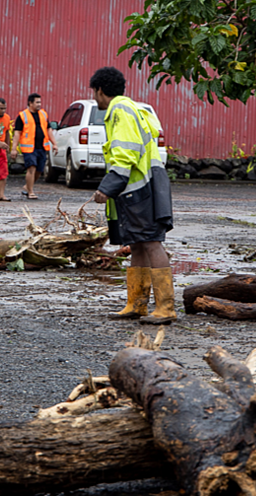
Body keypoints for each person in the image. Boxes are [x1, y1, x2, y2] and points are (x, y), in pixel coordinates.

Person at [89, 67, 176, 325]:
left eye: (95, 93)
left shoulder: (120, 111)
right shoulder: (132, 108)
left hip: (140, 188)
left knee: (150, 241)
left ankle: (165, 307)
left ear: (100, 90)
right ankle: (136, 304)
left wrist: (107, 186)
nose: (95, 99)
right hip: (142, 186)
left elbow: (125, 153)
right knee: (137, 242)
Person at [10, 93, 56, 200]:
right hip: (29, 148)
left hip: (42, 147)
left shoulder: (43, 114)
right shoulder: (22, 116)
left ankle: (27, 186)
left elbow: (48, 129)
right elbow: (17, 133)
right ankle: (30, 192)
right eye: (37, 102)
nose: (39, 104)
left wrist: (55, 144)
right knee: (31, 168)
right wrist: (14, 149)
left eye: (40, 102)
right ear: (30, 103)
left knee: (39, 170)